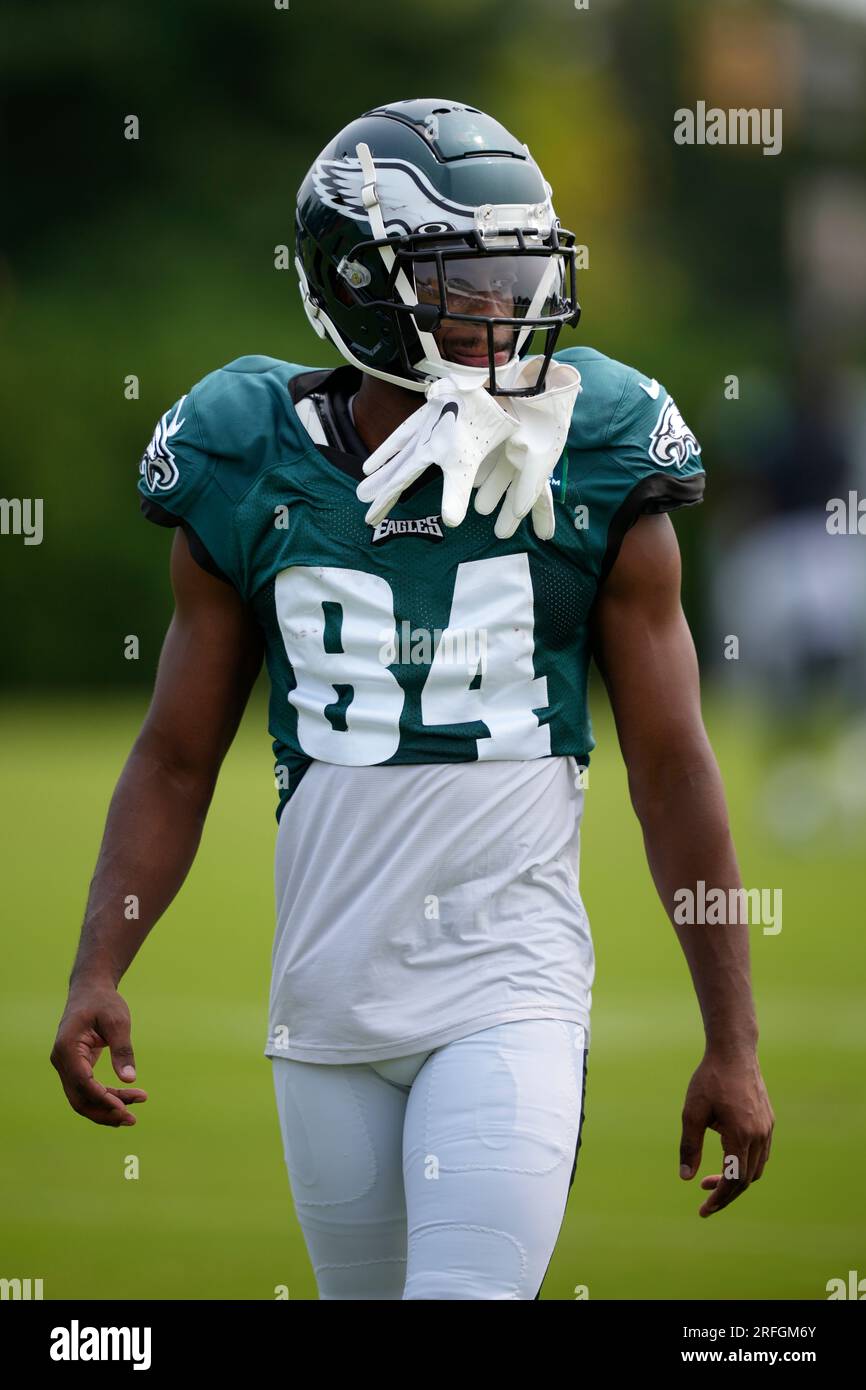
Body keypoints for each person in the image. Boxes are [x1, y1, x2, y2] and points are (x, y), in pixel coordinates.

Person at [50, 97, 774, 1301]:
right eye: (465, 277)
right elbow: (177, 756)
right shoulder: (247, 453)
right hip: (326, 1003)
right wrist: (97, 968)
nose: (508, 306)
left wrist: (732, 1037)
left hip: (508, 991)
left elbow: (672, 766)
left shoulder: (590, 449)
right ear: (354, 286)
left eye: (517, 271)